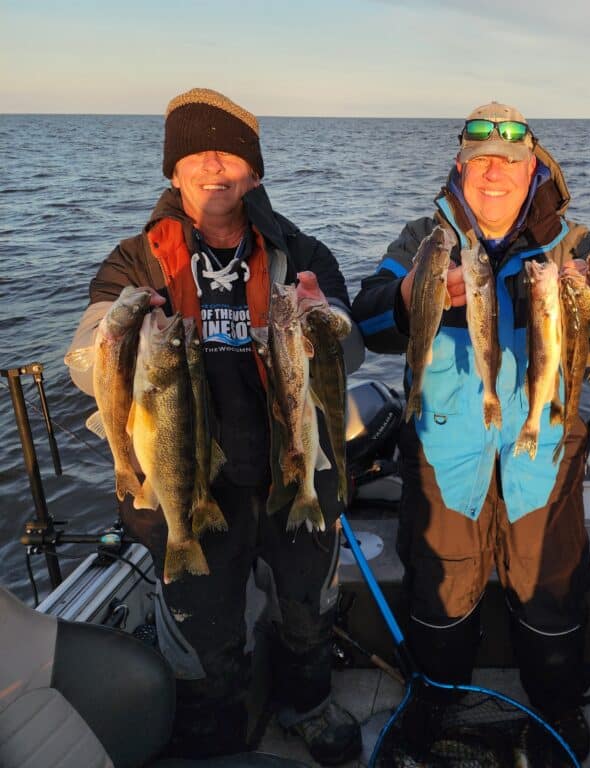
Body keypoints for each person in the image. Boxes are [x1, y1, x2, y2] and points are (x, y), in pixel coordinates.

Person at [66, 87, 365, 764]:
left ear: (254, 170)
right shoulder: (136, 260)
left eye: (229, 154)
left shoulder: (299, 249)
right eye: (195, 154)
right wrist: (114, 342)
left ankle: (308, 706)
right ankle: (212, 734)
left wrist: (322, 319)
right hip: (185, 479)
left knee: (307, 606)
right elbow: (85, 361)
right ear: (173, 170)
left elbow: (350, 351)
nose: (213, 167)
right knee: (200, 627)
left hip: (294, 469)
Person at [351, 102, 590, 758]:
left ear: (532, 170)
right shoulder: (422, 240)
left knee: (550, 583)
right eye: (482, 161)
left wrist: (587, 298)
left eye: (511, 164)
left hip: (542, 445)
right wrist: (410, 299)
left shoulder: (572, 243)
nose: (496, 174)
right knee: (441, 580)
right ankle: (435, 692)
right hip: (443, 445)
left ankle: (558, 702)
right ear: (460, 165)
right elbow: (368, 321)